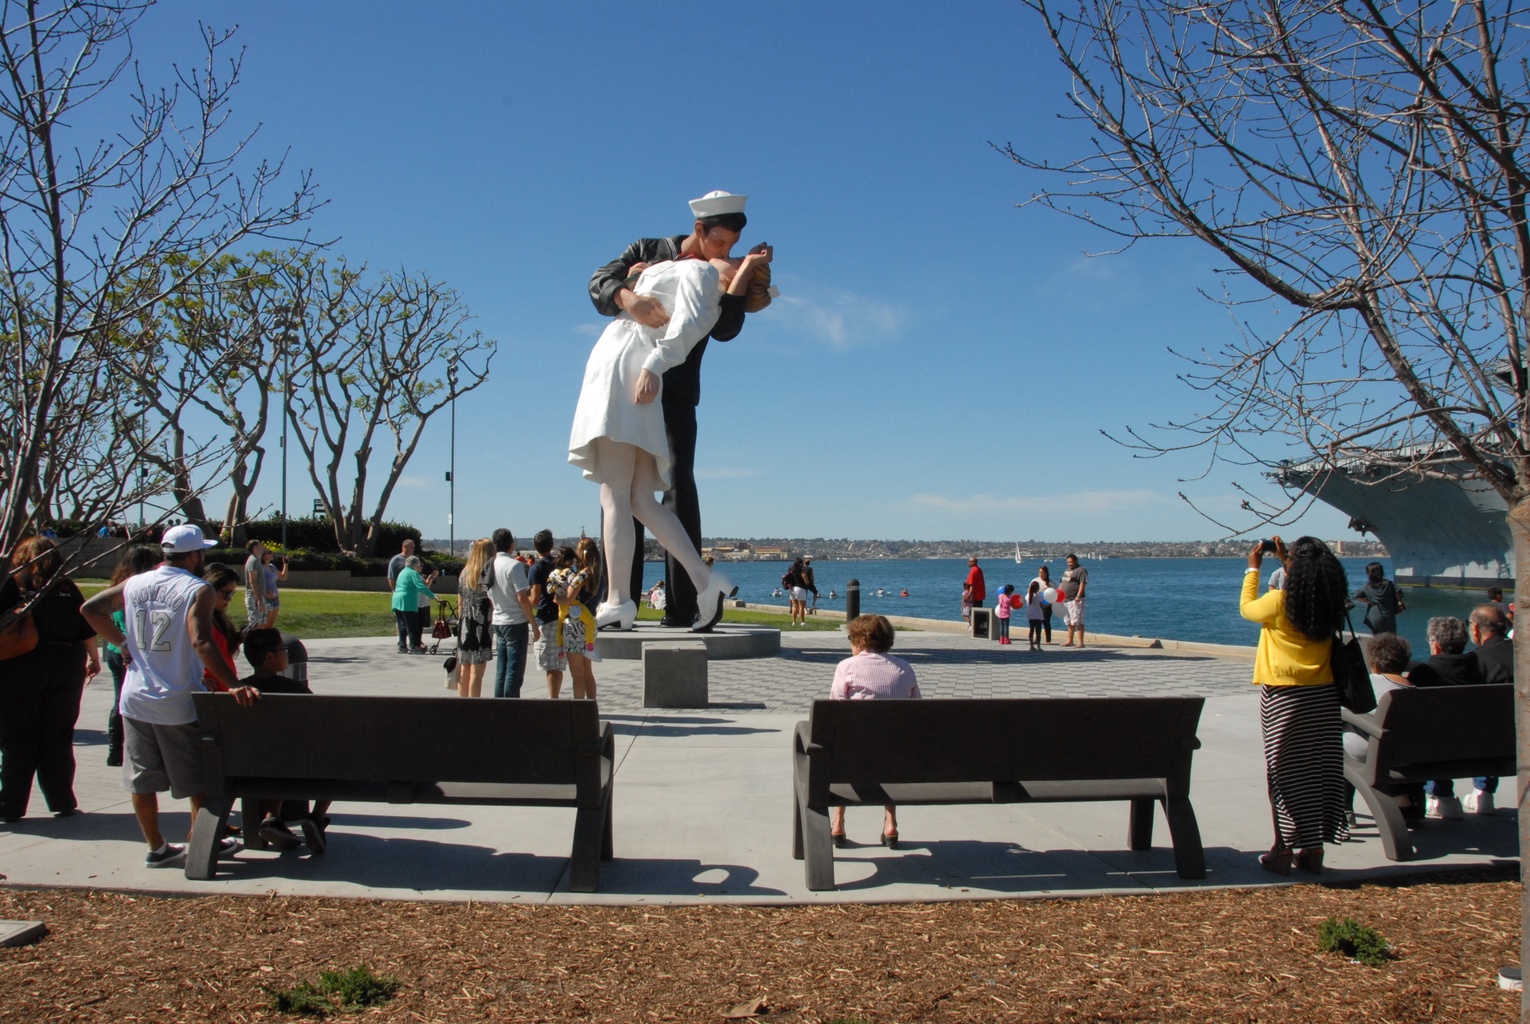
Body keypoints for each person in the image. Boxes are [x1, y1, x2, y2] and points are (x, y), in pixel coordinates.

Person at [587, 190, 771, 630]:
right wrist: (630, 295)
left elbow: (724, 328)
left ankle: (678, 602)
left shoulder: (710, 273)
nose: (725, 252)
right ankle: (629, 596)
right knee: (631, 496)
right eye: (720, 243)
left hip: (670, 387)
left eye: (731, 247)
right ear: (699, 230)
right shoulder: (648, 251)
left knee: (666, 490)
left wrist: (740, 273)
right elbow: (599, 286)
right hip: (634, 375)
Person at [80, 524, 259, 868]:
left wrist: (121, 643)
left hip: (134, 697)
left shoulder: (135, 582)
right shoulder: (198, 589)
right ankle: (203, 841)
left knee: (141, 779)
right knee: (198, 778)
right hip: (177, 698)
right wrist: (232, 682)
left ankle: (156, 846)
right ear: (194, 556)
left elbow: (91, 609)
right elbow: (201, 641)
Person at [1240, 535, 1350, 875]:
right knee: (1319, 769)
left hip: (1284, 695)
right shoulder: (1332, 603)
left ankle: (1283, 847)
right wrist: (1288, 558)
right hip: (1325, 695)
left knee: (1284, 773)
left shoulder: (1279, 602)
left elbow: (1247, 608)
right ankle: (1313, 848)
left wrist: (1253, 569)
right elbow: (1310, 579)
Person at [0, 536, 101, 822]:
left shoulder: (12, 584)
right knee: (58, 734)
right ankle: (62, 800)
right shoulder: (65, 586)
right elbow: (85, 627)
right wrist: (94, 659)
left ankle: (11, 804)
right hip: (67, 664)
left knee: (18, 737)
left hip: (22, 665)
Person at [828, 614, 920, 848]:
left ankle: (837, 821)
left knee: (843, 748)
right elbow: (916, 710)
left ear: (859, 641)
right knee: (891, 747)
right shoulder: (904, 668)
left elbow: (834, 712)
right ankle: (891, 823)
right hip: (896, 756)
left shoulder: (846, 667)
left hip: (853, 755)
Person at [238, 628, 332, 853]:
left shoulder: (239, 691)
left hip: (246, 767)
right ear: (269, 656)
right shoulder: (294, 690)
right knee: (332, 758)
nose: (287, 654)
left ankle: (272, 817)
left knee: (275, 754)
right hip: (293, 767)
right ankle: (317, 818)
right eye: (283, 650)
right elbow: (320, 722)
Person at [1341, 633, 1422, 824]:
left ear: (1374, 663)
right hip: (1407, 753)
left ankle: (1344, 808)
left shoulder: (1369, 685)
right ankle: (1405, 802)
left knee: (1338, 743)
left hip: (1370, 752)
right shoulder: (1416, 692)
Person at [101, 544, 162, 767]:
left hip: (116, 648)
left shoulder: (120, 583)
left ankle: (115, 751)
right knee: (126, 701)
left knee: (120, 699)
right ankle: (120, 750)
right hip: (128, 650)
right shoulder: (135, 587)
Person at [1462, 603, 1513, 814]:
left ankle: (1479, 792)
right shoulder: (1523, 653)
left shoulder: (1475, 660)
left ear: (1475, 628)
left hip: (1488, 744)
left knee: (1486, 723)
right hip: (1518, 738)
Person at [487, 528, 537, 699]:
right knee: (514, 670)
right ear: (511, 545)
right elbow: (522, 597)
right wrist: (534, 625)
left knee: (502, 667)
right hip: (515, 622)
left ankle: (499, 703)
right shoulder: (514, 565)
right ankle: (510, 706)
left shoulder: (490, 564)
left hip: (499, 620)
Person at [548, 541, 601, 700]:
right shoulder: (598, 574)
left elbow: (568, 597)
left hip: (574, 626)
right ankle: (592, 705)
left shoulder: (582, 575)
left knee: (577, 674)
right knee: (587, 672)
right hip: (589, 622)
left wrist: (558, 599)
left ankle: (579, 708)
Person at [528, 529, 567, 698]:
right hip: (562, 617)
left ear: (535, 547)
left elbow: (535, 597)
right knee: (558, 664)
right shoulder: (561, 565)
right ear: (552, 545)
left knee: (550, 664)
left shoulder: (536, 568)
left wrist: (524, 605)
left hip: (545, 618)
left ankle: (553, 699)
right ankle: (555, 697)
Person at [455, 539, 495, 698]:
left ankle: (462, 703)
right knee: (477, 671)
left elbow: (460, 601)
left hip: (465, 621)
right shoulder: (486, 573)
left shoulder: (465, 572)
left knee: (464, 667)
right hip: (482, 622)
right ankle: (474, 705)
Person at [200, 563, 243, 692]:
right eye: (227, 594)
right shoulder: (197, 619)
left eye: (232, 594)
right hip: (208, 691)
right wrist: (197, 679)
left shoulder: (219, 618)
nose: (229, 599)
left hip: (224, 690)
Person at [390, 555, 435, 654]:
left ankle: (402, 646)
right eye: (419, 565)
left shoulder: (402, 572)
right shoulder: (412, 573)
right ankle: (414, 646)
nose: (419, 567)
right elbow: (421, 587)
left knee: (402, 625)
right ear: (415, 565)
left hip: (397, 601)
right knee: (412, 625)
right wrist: (433, 596)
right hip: (408, 601)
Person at [1352, 561, 1405, 635]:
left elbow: (1356, 595)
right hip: (1388, 615)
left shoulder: (1367, 587)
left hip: (1374, 615)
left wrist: (1367, 601)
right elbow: (1400, 593)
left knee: (1377, 638)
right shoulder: (1389, 584)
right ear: (1382, 572)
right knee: (1392, 638)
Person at [1060, 554, 1088, 648]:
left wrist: (1078, 595)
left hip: (1075, 599)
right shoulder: (1067, 570)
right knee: (1068, 621)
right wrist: (1058, 594)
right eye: (1068, 562)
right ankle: (1070, 640)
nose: (1069, 564)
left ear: (1076, 561)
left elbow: (1082, 583)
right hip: (1065, 599)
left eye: (1071, 562)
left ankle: (1080, 642)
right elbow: (1062, 582)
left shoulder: (1081, 570)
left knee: (1078, 620)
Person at [242, 540, 267, 629]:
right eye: (260, 545)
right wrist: (259, 600)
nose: (262, 547)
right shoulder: (252, 561)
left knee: (261, 623)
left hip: (259, 596)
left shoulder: (257, 560)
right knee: (255, 623)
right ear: (255, 548)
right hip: (254, 596)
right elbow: (252, 581)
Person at [261, 549, 288, 629]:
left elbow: (283, 577)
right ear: (264, 556)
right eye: (269, 553)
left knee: (271, 626)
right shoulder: (261, 568)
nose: (271, 554)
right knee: (265, 625)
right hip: (267, 598)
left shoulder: (272, 567)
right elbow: (259, 582)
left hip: (275, 598)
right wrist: (266, 592)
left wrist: (285, 564)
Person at [1029, 565, 1055, 644]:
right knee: (1037, 622)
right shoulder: (1035, 580)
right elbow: (1030, 591)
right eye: (1040, 572)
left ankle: (1048, 639)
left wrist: (1047, 604)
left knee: (1046, 622)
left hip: (1047, 605)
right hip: (1037, 605)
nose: (1041, 574)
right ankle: (1037, 639)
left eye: (1043, 572)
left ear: (1046, 573)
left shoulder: (1051, 583)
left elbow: (1054, 594)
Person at [783, 557, 808, 627]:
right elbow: (806, 580)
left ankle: (794, 622)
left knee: (794, 606)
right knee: (801, 606)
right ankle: (802, 622)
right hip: (800, 588)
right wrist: (808, 583)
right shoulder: (802, 570)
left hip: (792, 588)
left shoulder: (791, 568)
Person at [961, 557, 986, 623]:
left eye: (969, 561)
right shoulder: (979, 569)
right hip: (980, 595)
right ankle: (977, 627)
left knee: (972, 613)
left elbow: (972, 584)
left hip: (975, 596)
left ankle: (974, 628)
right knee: (978, 612)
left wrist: (968, 595)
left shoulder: (974, 570)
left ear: (973, 562)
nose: (968, 562)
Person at [1024, 580, 1046, 650]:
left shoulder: (1027, 596)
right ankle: (1039, 646)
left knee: (1031, 630)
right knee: (1038, 631)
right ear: (1037, 588)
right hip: (1038, 615)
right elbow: (1042, 605)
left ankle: (1031, 646)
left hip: (1030, 615)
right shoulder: (1038, 596)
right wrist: (1050, 603)